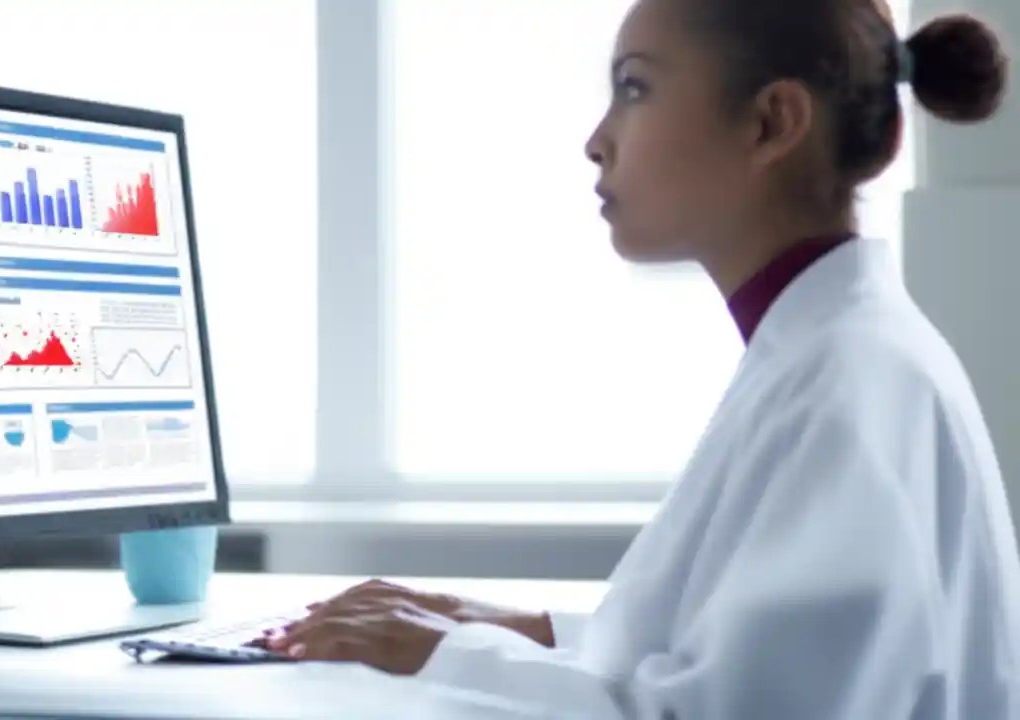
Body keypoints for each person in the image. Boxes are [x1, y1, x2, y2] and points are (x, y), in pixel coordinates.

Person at [256, 0, 1020, 717]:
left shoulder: (851, 391)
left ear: (770, 122)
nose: (598, 139)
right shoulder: (834, 354)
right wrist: (523, 628)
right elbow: (739, 657)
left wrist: (447, 655)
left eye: (635, 88)